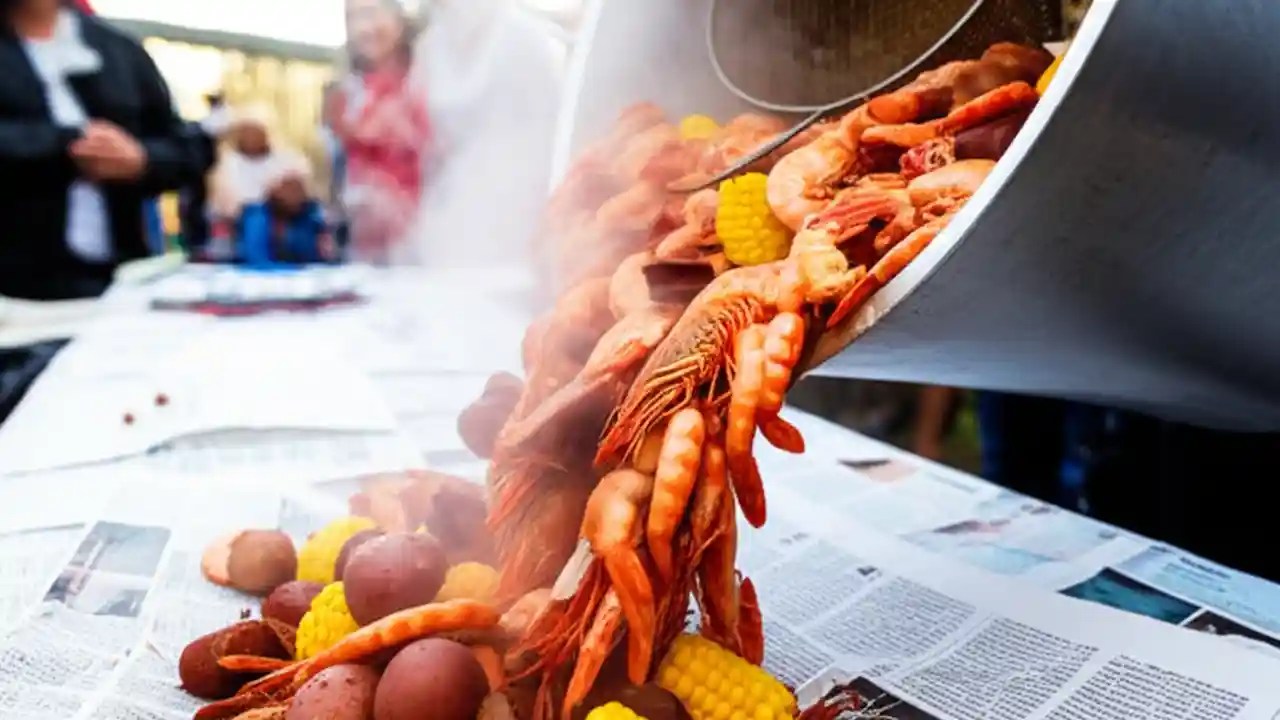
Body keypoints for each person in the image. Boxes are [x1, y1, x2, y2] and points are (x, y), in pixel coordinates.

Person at [0, 0, 211, 299]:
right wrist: (66, 145)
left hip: (117, 285)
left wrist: (141, 160)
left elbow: (185, 150)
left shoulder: (119, 51)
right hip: (14, 289)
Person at [410, 0, 561, 268]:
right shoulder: (428, 48)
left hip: (516, 211)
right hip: (451, 213)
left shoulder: (525, 37)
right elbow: (428, 147)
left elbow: (551, 139)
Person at [331, 0, 430, 265]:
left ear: (399, 17)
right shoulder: (350, 90)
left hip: (425, 241)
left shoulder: (428, 77)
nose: (364, 27)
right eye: (352, 18)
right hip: (367, 244)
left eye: (372, 13)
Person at [209, 104, 310, 223]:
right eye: (245, 131)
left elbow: (299, 191)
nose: (250, 137)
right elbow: (226, 206)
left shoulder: (289, 159)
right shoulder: (227, 165)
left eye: (254, 131)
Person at [237, 169, 336, 267]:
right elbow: (257, 261)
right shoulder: (256, 217)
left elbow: (315, 260)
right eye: (289, 188)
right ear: (274, 191)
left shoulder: (309, 216)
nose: (294, 194)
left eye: (298, 189)